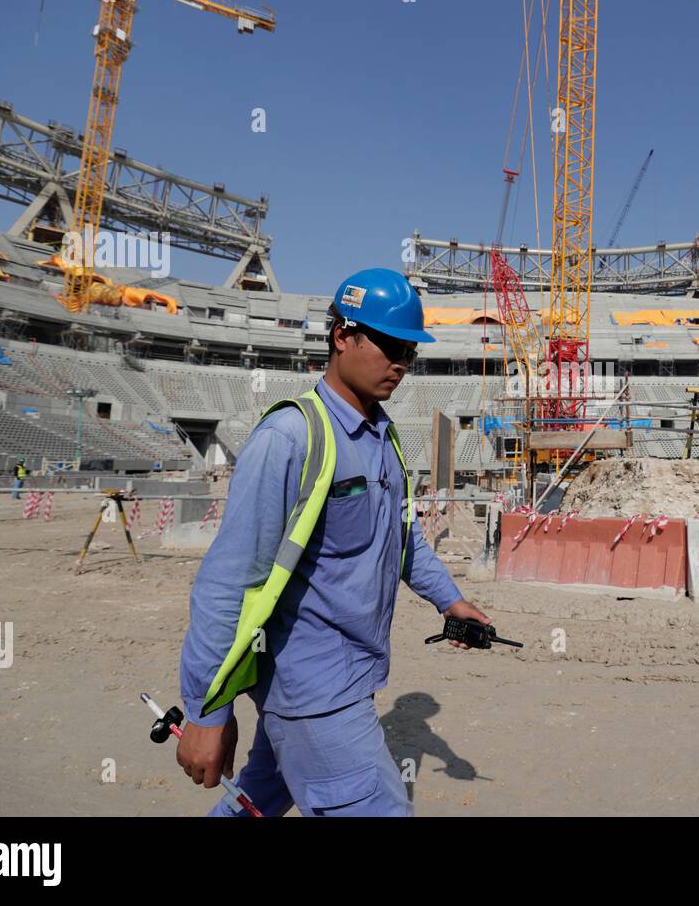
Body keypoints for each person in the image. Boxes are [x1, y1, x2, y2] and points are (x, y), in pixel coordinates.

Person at [177, 268, 489, 817]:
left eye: (410, 353)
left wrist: (449, 599)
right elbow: (227, 582)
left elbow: (403, 537)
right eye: (390, 346)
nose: (401, 363)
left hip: (350, 674)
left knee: (259, 801)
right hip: (314, 689)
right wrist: (206, 713)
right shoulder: (290, 438)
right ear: (343, 337)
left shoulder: (384, 439)